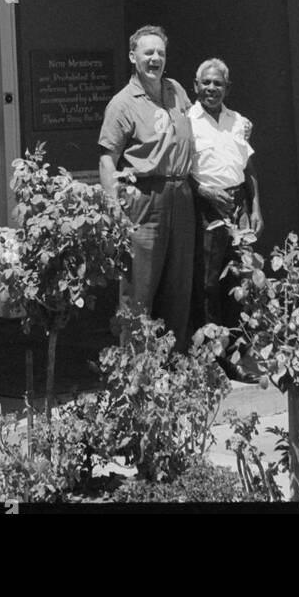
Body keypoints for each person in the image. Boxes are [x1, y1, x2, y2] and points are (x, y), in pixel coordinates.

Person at [98, 25, 195, 352]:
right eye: (148, 52)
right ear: (132, 57)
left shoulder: (177, 91)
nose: (155, 58)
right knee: (139, 288)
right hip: (143, 199)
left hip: (180, 195)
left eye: (160, 53)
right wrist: (114, 212)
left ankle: (173, 370)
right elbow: (107, 161)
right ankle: (135, 372)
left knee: (178, 287)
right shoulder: (122, 104)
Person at [189, 58, 263, 373]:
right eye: (206, 82)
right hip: (206, 206)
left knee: (243, 281)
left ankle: (241, 356)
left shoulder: (238, 122)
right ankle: (211, 359)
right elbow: (180, 170)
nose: (211, 88)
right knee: (208, 284)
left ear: (227, 88)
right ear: (196, 86)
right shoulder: (186, 122)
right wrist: (203, 192)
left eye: (218, 83)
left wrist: (256, 207)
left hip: (239, 207)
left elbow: (249, 169)